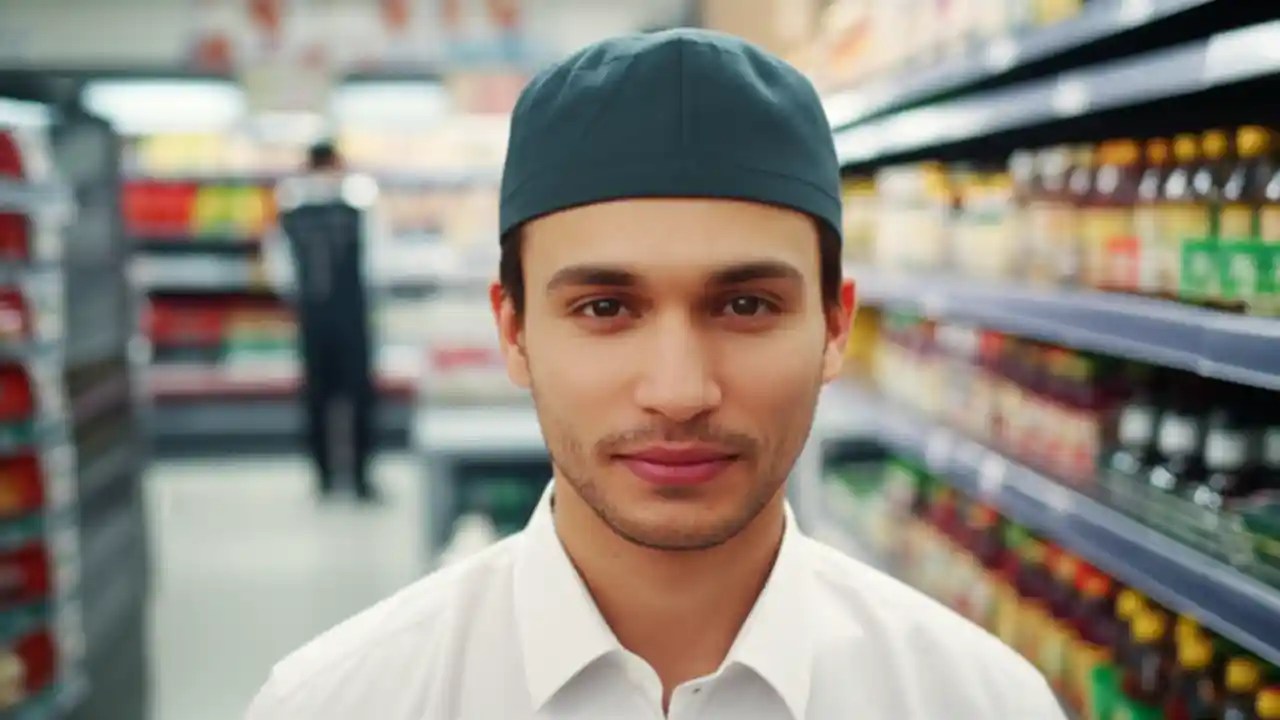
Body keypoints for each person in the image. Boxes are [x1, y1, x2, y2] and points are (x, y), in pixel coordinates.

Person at [246, 30, 1066, 719]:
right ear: (515, 329)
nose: (679, 391)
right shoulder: (335, 702)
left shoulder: (986, 702)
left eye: (745, 305)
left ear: (836, 324)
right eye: (605, 309)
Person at [264, 141, 380, 502]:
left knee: (318, 397)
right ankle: (358, 478)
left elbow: (278, 268)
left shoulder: (291, 210)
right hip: (350, 314)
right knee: (356, 397)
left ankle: (326, 478)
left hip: (313, 315)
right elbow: (377, 261)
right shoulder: (357, 208)